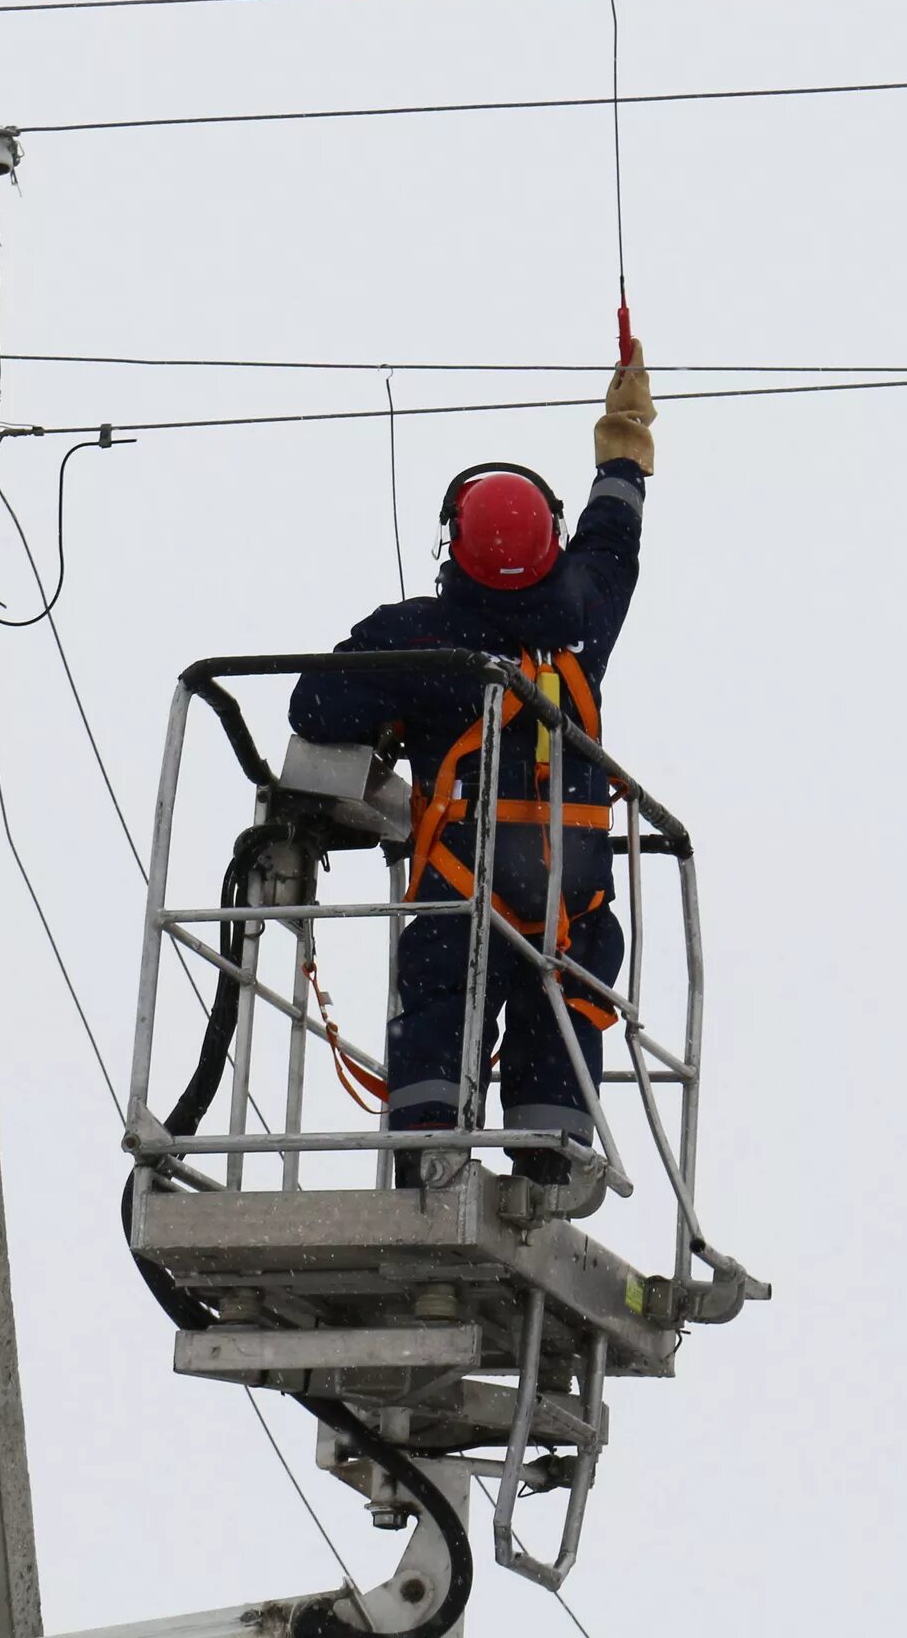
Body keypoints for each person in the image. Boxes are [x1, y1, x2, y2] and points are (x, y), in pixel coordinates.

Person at [290, 351, 657, 1214]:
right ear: (551, 543)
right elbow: (615, 540)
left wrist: (389, 706)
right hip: (571, 912)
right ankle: (551, 1168)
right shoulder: (580, 628)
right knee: (556, 1022)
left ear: (451, 545)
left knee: (441, 1018)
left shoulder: (421, 644)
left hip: (464, 909)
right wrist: (625, 447)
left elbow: (315, 704)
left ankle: (432, 1162)